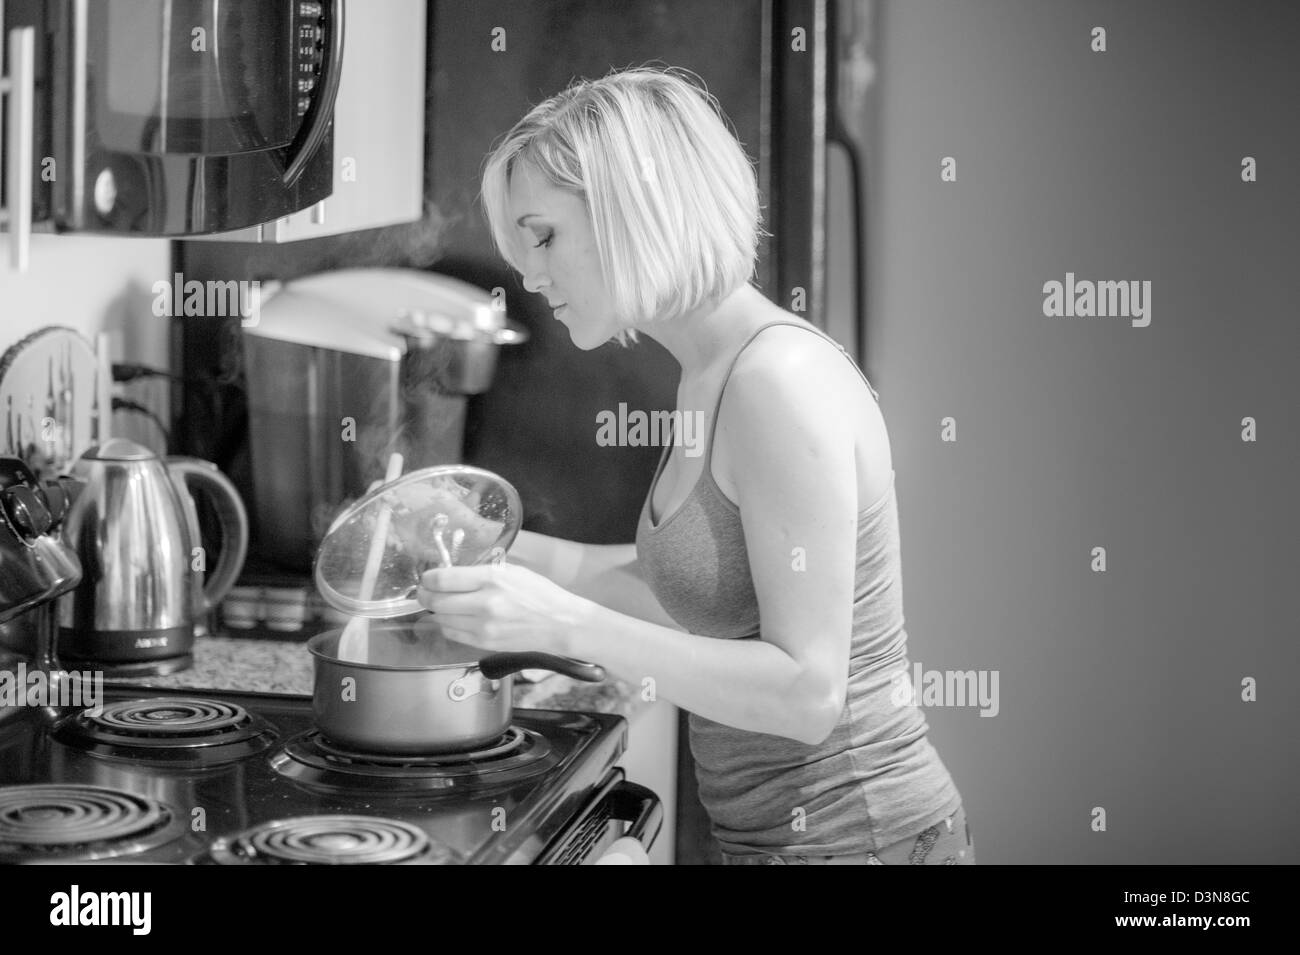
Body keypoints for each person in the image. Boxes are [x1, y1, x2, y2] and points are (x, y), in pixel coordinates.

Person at [416, 66, 974, 865]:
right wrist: (493, 547)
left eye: (543, 236)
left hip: (863, 840)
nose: (531, 278)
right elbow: (688, 592)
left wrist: (561, 622)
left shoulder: (775, 383)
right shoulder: (709, 371)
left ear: (636, 211)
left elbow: (807, 691)